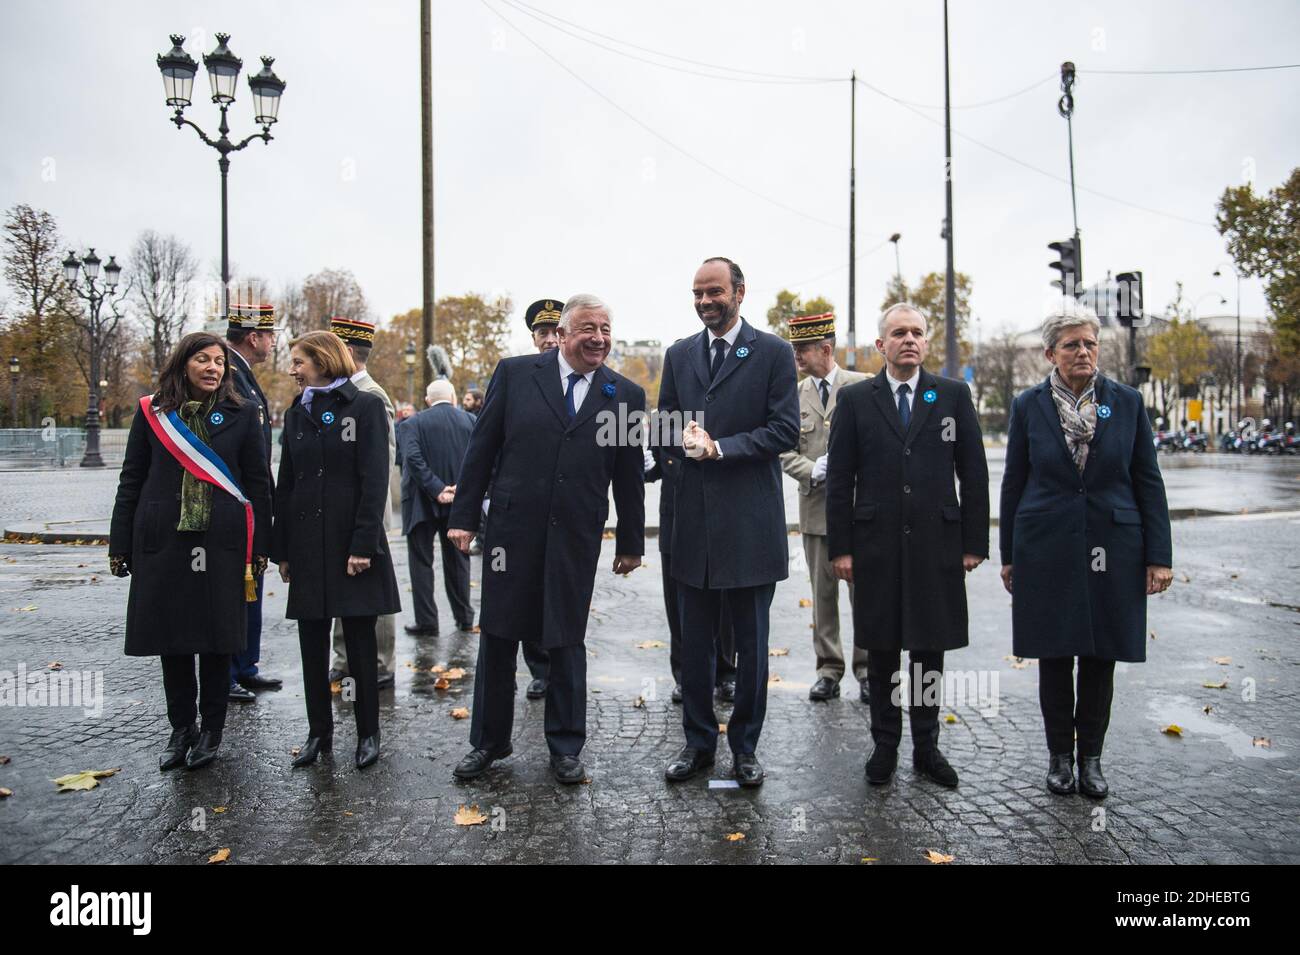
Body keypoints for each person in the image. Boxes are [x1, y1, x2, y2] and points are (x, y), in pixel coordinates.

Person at [447, 294, 645, 784]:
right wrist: (463, 515)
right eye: (587, 329)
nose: (598, 338)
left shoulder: (625, 394)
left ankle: (565, 747)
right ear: (561, 334)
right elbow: (482, 448)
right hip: (508, 536)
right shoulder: (515, 375)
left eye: (605, 328)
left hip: (576, 536)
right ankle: (488, 743)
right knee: (498, 634)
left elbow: (628, 475)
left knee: (565, 638)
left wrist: (631, 541)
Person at [999, 303, 1172, 798]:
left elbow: (1148, 481)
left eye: (1090, 343)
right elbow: (1015, 482)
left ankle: (1091, 759)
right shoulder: (1028, 406)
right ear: (1051, 353)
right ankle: (1059, 758)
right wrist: (1009, 553)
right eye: (1072, 344)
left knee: (1101, 654)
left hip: (1113, 544)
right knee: (1054, 653)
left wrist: (1159, 556)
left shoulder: (1128, 402)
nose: (1083, 352)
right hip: (1045, 544)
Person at [826, 303, 989, 789]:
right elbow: (839, 478)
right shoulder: (857, 400)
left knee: (928, 648)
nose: (910, 340)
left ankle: (927, 747)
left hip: (937, 544)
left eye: (917, 332)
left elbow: (973, 472)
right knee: (881, 649)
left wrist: (973, 542)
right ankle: (885, 745)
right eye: (899, 333)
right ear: (882, 345)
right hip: (874, 545)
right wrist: (842, 548)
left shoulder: (953, 396)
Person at [657, 257, 799, 787]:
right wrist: (677, 442)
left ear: (739, 292)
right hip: (692, 525)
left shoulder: (774, 353)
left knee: (751, 645)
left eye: (713, 291)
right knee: (693, 645)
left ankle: (744, 748)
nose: (704, 301)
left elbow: (784, 431)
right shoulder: (678, 354)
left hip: (750, 526)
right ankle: (697, 744)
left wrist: (721, 448)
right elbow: (665, 421)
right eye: (697, 293)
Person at [109, 332, 272, 771]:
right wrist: (120, 542)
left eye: (219, 361)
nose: (213, 368)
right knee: (173, 640)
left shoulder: (243, 413)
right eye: (203, 359)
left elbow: (258, 483)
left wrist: (262, 546)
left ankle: (212, 731)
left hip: (221, 542)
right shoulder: (153, 412)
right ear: (184, 364)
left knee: (217, 641)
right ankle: (181, 729)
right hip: (165, 540)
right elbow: (132, 478)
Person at [272, 331, 402, 770]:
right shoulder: (296, 411)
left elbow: (375, 479)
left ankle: (368, 733)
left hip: (352, 545)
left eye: (298, 361)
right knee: (311, 644)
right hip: (308, 547)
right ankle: (318, 733)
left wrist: (364, 543)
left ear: (323, 361)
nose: (292, 369)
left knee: (361, 645)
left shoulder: (364, 406)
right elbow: (285, 484)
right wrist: (282, 549)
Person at [777, 311, 870, 703]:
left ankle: (868, 671)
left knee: (864, 594)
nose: (796, 356)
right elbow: (782, 448)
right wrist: (811, 468)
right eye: (795, 348)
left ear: (826, 349)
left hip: (859, 510)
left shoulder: (863, 387)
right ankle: (829, 670)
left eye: (803, 349)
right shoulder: (793, 396)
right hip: (816, 509)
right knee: (824, 594)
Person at [326, 317, 399, 690]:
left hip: (368, 510)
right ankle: (345, 658)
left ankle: (379, 661)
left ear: (348, 353)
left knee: (373, 590)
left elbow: (381, 463)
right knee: (345, 584)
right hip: (345, 509)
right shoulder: (340, 393)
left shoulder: (372, 395)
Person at [645, 443, 737, 704]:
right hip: (676, 515)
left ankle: (726, 671)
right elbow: (657, 460)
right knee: (677, 601)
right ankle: (685, 675)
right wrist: (646, 465)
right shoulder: (667, 412)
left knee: (724, 598)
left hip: (719, 511)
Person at [223, 302, 282, 704]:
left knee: (251, 583)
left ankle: (245, 665)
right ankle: (226, 673)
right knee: (233, 589)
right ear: (254, 337)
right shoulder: (225, 374)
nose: (274, 343)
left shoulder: (242, 374)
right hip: (236, 502)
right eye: (270, 335)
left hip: (251, 500)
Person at [397, 379, 476, 635]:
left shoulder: (412, 424)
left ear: (428, 401)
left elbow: (412, 458)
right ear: (453, 396)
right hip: (459, 500)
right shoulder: (470, 422)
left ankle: (427, 621)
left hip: (421, 501)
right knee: (458, 560)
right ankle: (464, 617)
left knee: (421, 562)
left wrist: (436, 488)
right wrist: (457, 489)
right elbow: (478, 458)